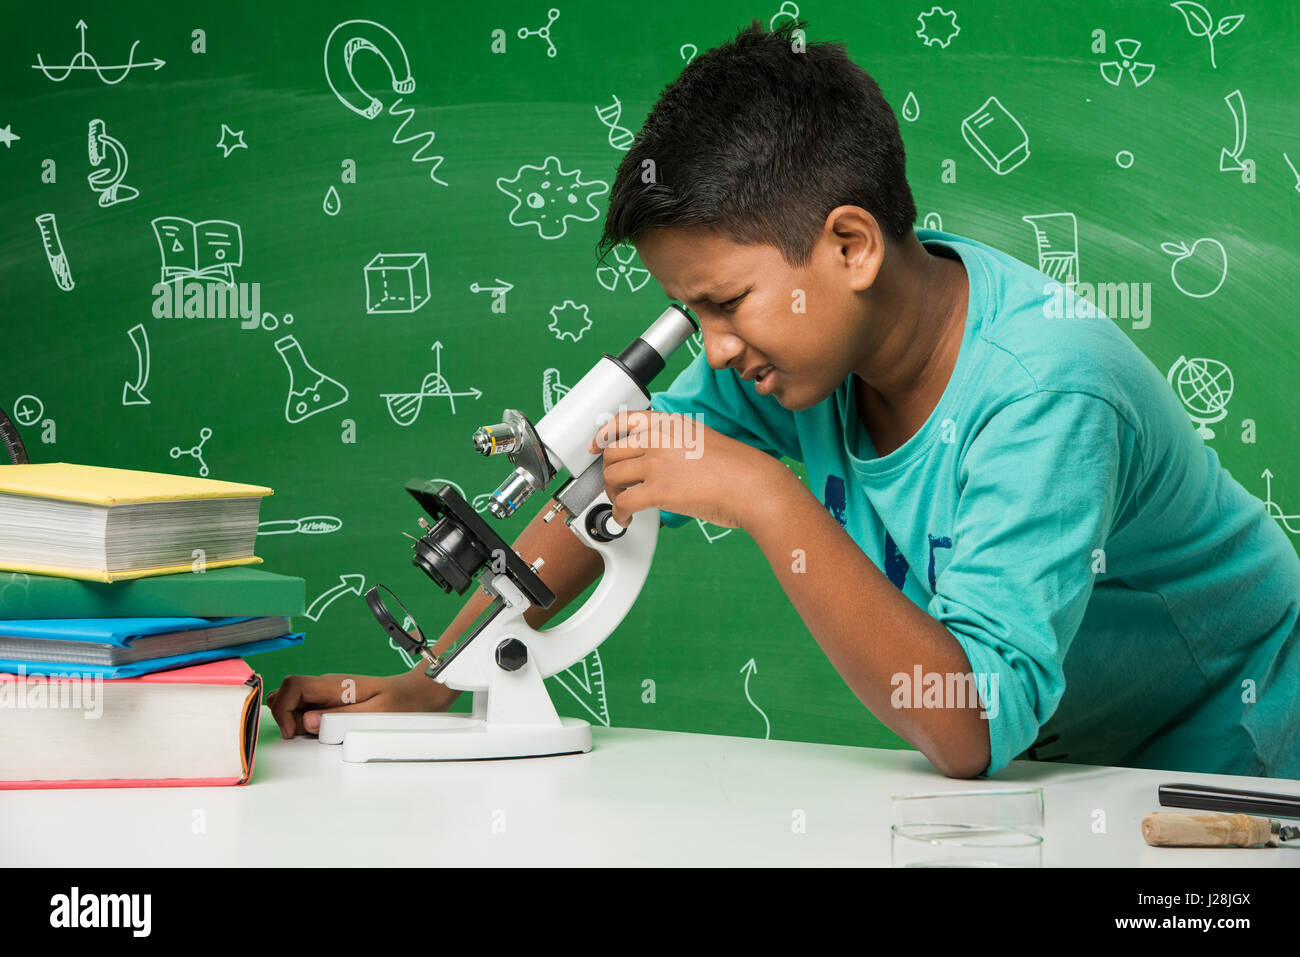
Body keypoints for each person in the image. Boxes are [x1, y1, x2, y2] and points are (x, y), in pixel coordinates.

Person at [270, 18, 1299, 780]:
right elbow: (609, 490)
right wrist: (442, 680)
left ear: (848, 245)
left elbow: (969, 727)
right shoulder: (797, 356)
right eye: (688, 314)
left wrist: (767, 500)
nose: (713, 350)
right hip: (1077, 760)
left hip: (1238, 751)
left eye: (725, 303)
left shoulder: (1047, 392)